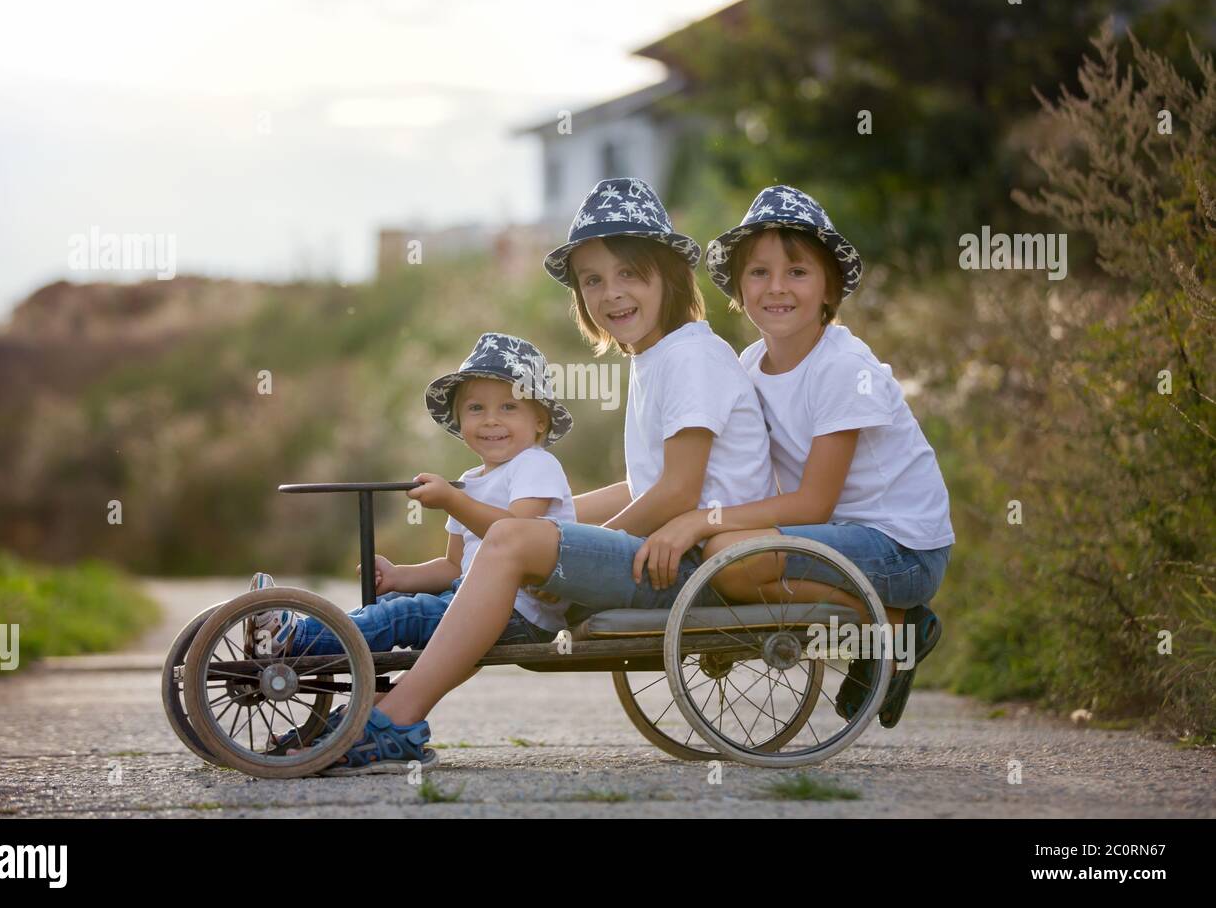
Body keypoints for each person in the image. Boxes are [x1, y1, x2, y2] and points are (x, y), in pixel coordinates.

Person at [315, 176, 775, 774]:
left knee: (509, 540)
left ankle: (398, 718)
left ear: (670, 275)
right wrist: (563, 527)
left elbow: (678, 492)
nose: (611, 294)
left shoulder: (690, 356)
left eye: (630, 274)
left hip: (698, 563)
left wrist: (573, 548)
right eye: (593, 281)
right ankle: (381, 700)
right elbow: (644, 485)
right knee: (519, 539)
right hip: (670, 551)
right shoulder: (657, 357)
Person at [651, 184, 956, 727]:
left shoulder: (843, 368)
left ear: (828, 287)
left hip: (901, 546)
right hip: (842, 535)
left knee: (731, 556)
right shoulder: (747, 365)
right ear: (739, 289)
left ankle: (890, 621)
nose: (777, 288)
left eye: (797, 272)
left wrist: (702, 518)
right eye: (759, 273)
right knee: (725, 549)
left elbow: (813, 504)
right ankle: (875, 619)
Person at [250, 332, 576, 771]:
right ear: (459, 422)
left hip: (524, 612)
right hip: (477, 601)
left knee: (402, 618)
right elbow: (452, 567)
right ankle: (333, 732)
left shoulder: (537, 466)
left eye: (509, 407)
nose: (491, 420)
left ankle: (298, 639)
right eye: (476, 408)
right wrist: (400, 575)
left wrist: (453, 501)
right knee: (395, 604)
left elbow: (517, 534)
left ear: (539, 422)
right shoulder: (470, 479)